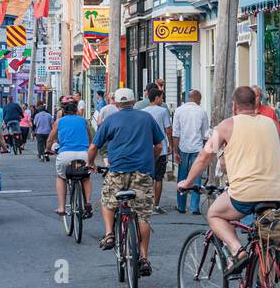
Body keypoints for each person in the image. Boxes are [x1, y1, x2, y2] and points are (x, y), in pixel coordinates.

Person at [178, 86, 280, 277]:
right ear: (255, 103)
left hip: (246, 193)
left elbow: (204, 157)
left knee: (214, 214)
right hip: (277, 192)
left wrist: (187, 182)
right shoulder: (271, 123)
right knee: (267, 241)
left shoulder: (226, 126)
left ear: (234, 106)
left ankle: (237, 251)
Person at [87, 88, 163, 276]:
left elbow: (94, 146)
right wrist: (150, 160)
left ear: (116, 104)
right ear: (134, 100)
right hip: (142, 172)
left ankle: (109, 234)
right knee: (143, 215)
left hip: (118, 170)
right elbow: (159, 145)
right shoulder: (146, 118)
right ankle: (144, 258)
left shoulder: (110, 120)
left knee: (107, 201)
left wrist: (90, 163)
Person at [49, 99, 94, 218]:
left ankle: (62, 207)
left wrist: (47, 149)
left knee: (61, 177)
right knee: (85, 177)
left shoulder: (59, 121)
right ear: (76, 111)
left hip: (65, 154)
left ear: (63, 111)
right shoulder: (83, 121)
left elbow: (50, 139)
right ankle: (88, 202)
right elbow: (90, 138)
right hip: (83, 154)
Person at [172, 89, 210, 215]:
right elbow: (205, 134)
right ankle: (194, 207)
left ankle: (181, 206)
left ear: (189, 98)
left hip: (183, 147)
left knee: (182, 177)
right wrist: (206, 151)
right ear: (199, 99)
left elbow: (175, 133)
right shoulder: (202, 112)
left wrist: (175, 151)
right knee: (196, 177)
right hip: (197, 148)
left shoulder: (179, 110)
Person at [142, 86, 173, 214]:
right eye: (161, 97)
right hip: (161, 148)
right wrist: (171, 144)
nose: (162, 100)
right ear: (156, 98)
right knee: (159, 178)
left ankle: (146, 203)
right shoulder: (162, 111)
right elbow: (168, 129)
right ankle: (156, 205)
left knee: (147, 177)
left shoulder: (143, 112)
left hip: (146, 148)